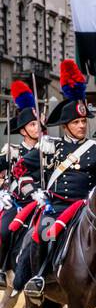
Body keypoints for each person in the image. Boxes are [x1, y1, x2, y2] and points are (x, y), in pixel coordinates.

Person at [10, 61, 96, 300]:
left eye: (83, 122)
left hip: (85, 206)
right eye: (76, 122)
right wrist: (33, 191)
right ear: (66, 125)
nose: (81, 126)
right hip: (56, 205)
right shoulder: (49, 148)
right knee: (40, 234)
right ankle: (37, 276)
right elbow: (20, 168)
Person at [0, 80, 44, 284]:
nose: (37, 128)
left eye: (38, 123)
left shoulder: (48, 149)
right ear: (23, 131)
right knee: (4, 230)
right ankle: (1, 268)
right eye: (32, 125)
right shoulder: (12, 151)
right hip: (17, 201)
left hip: (43, 199)